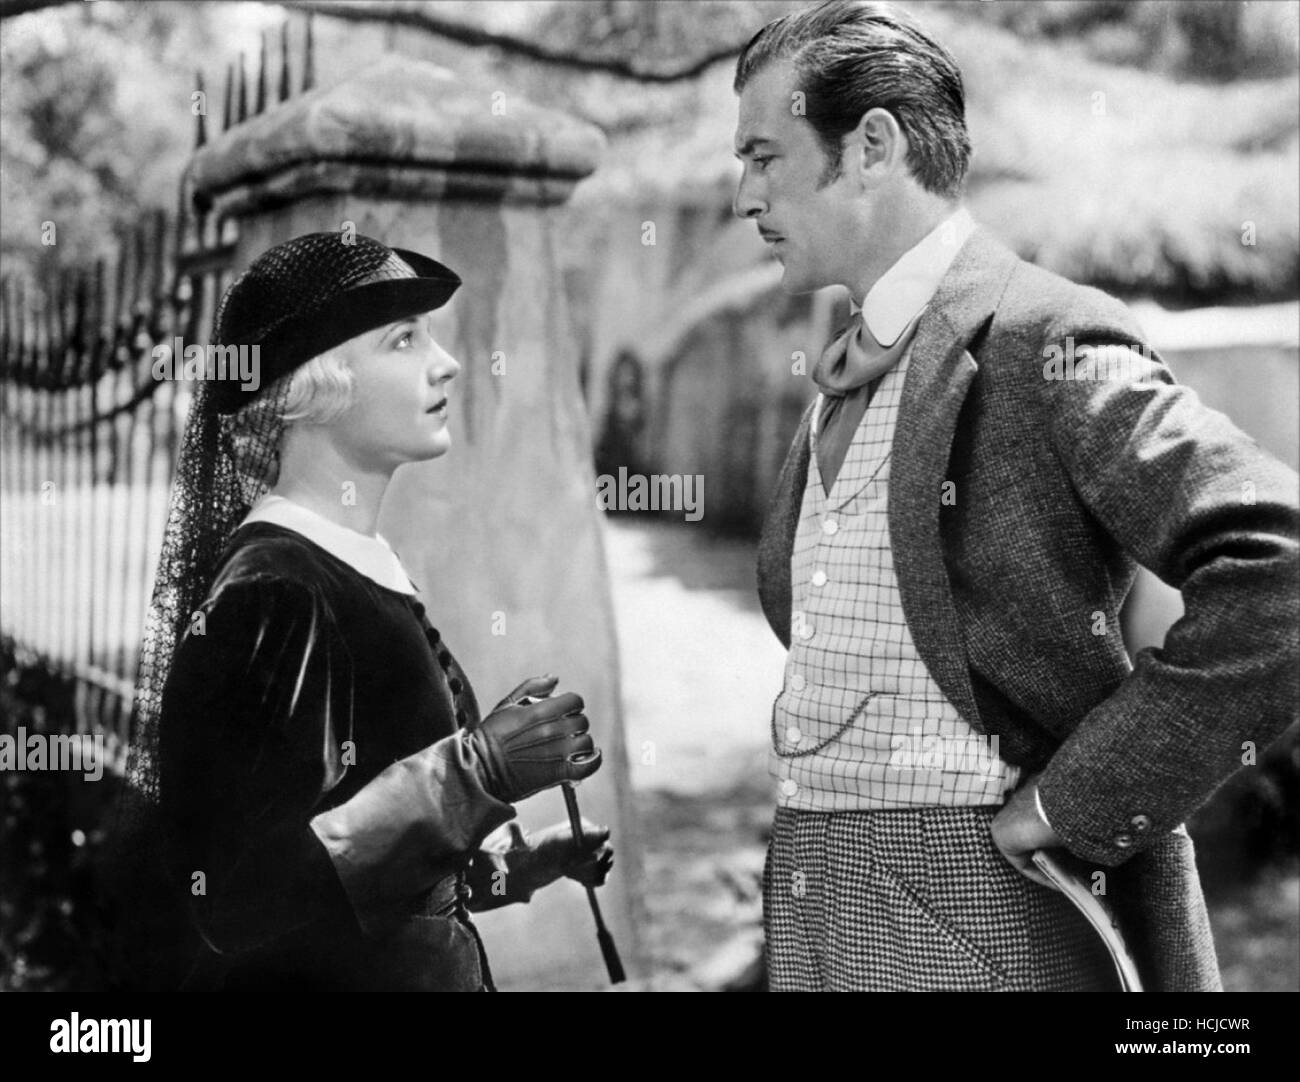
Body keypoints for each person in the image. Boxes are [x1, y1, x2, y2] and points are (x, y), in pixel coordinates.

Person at [734, 1, 1299, 991]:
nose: (743, 193)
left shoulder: (1046, 337)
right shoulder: (844, 371)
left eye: (763, 155)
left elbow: (1279, 576)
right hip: (811, 899)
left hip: (974, 904)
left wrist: (1074, 803)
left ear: (871, 146)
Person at [122, 232, 613, 991]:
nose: (444, 362)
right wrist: (470, 771)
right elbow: (239, 898)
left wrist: (514, 866)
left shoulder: (354, 561)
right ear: (314, 385)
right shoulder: (272, 594)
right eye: (404, 339)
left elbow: (370, 871)